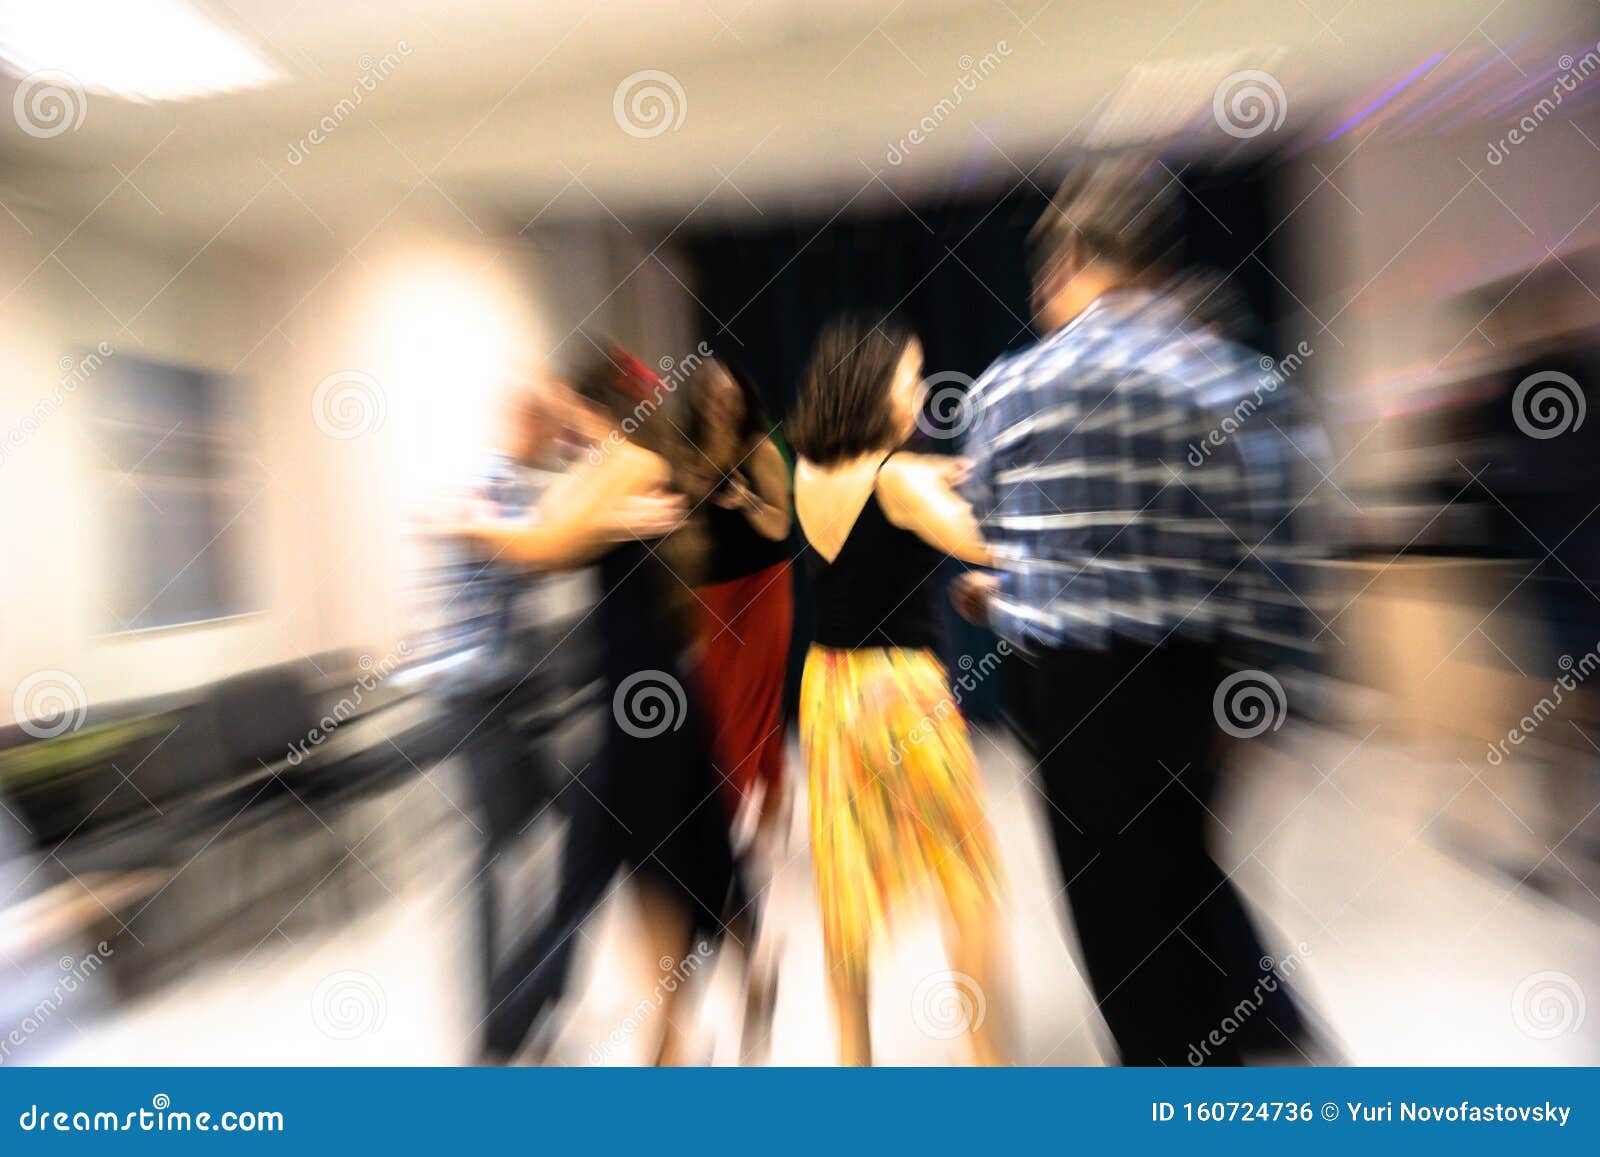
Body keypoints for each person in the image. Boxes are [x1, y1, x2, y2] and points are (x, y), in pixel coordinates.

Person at [952, 159, 1310, 1066]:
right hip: (1199, 671)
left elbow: (996, 536)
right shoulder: (1238, 383)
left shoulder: (1005, 390)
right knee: (1186, 867)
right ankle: (1242, 1046)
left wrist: (1008, 587)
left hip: (1067, 686)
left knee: (1113, 908)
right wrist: (1259, 688)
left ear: (1070, 256)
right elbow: (1271, 556)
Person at [456, 345, 740, 1066]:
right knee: (654, 865)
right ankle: (676, 1022)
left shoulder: (634, 470)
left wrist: (475, 527)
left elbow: (543, 545)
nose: (561, 436)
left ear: (602, 413)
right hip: (633, 696)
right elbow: (552, 532)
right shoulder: (620, 475)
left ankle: (673, 1028)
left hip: (647, 699)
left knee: (655, 866)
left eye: (570, 419)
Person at [788, 318, 1007, 1067]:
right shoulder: (898, 478)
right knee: (967, 873)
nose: (919, 393)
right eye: (908, 379)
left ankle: (855, 1062)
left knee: (843, 881)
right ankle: (984, 1057)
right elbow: (984, 543)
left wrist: (940, 472)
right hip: (900, 690)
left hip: (828, 688)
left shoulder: (809, 472)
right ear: (872, 389)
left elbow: (900, 489)